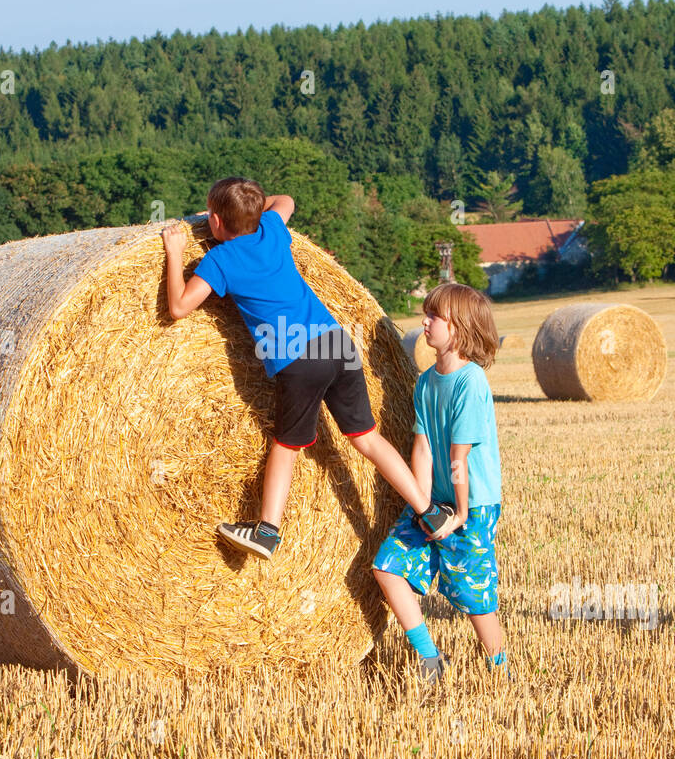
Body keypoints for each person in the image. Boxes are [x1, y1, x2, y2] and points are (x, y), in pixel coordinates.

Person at [162, 176, 457, 558]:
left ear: (215, 222)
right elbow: (286, 199)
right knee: (366, 439)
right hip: (338, 343)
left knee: (286, 446)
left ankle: (267, 531)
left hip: (299, 360)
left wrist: (174, 252)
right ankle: (429, 511)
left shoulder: (220, 259)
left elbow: (178, 307)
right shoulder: (270, 228)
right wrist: (254, 206)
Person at [371, 282, 507, 681]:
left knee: (473, 594)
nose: (424, 322)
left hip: (474, 503)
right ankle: (431, 659)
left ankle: (500, 670)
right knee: (387, 568)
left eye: (434, 316)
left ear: (459, 327)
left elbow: (458, 455)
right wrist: (424, 507)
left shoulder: (471, 381)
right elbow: (424, 448)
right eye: (426, 314)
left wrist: (460, 515)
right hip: (437, 501)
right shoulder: (426, 382)